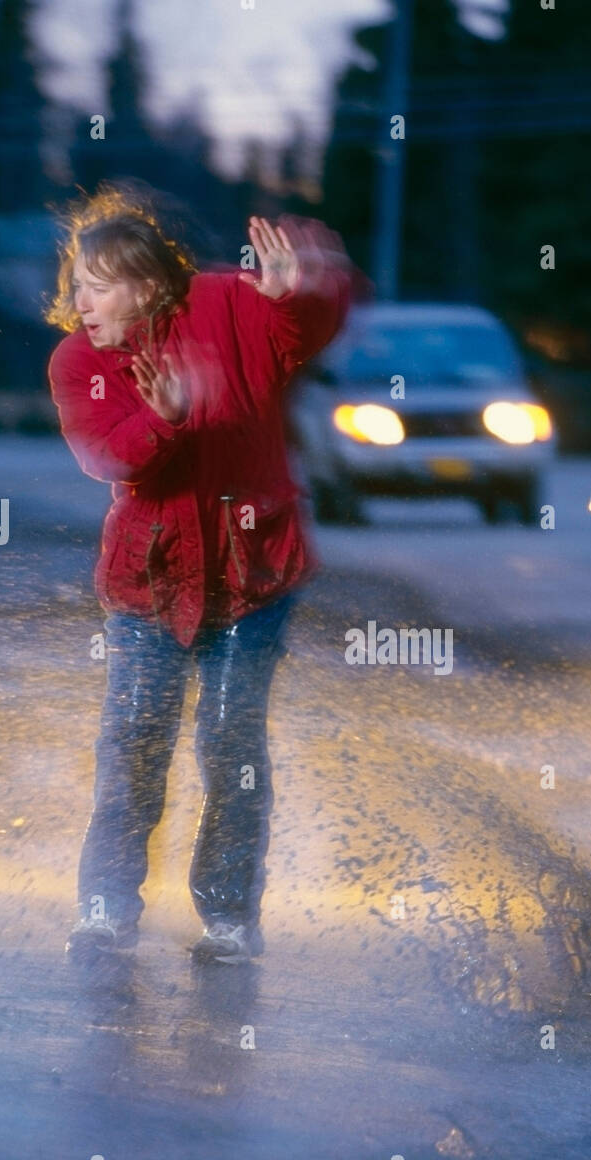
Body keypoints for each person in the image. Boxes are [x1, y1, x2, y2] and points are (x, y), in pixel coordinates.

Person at [46, 185, 352, 964]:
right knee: (134, 741)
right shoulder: (79, 361)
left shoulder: (223, 303)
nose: (81, 300)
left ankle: (227, 916)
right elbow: (106, 456)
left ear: (148, 284)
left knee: (229, 742)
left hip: (254, 576)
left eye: (99, 284)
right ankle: (106, 907)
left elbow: (301, 332)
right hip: (150, 584)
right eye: (77, 284)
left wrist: (299, 293)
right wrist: (166, 420)